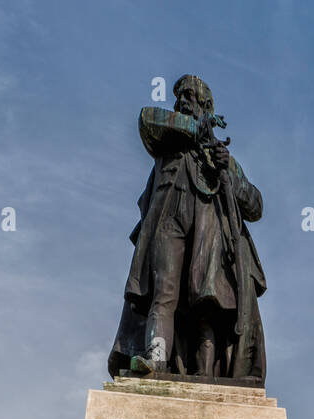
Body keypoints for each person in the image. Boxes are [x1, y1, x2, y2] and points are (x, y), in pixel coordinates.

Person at [107, 74, 266, 380]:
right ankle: (156, 357)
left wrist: (228, 171)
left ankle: (206, 373)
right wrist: (196, 129)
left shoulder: (221, 156)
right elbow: (146, 119)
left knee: (208, 303)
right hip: (169, 222)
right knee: (163, 292)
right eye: (181, 97)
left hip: (210, 234)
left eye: (192, 98)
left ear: (207, 105)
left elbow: (255, 205)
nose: (184, 102)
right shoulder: (169, 136)